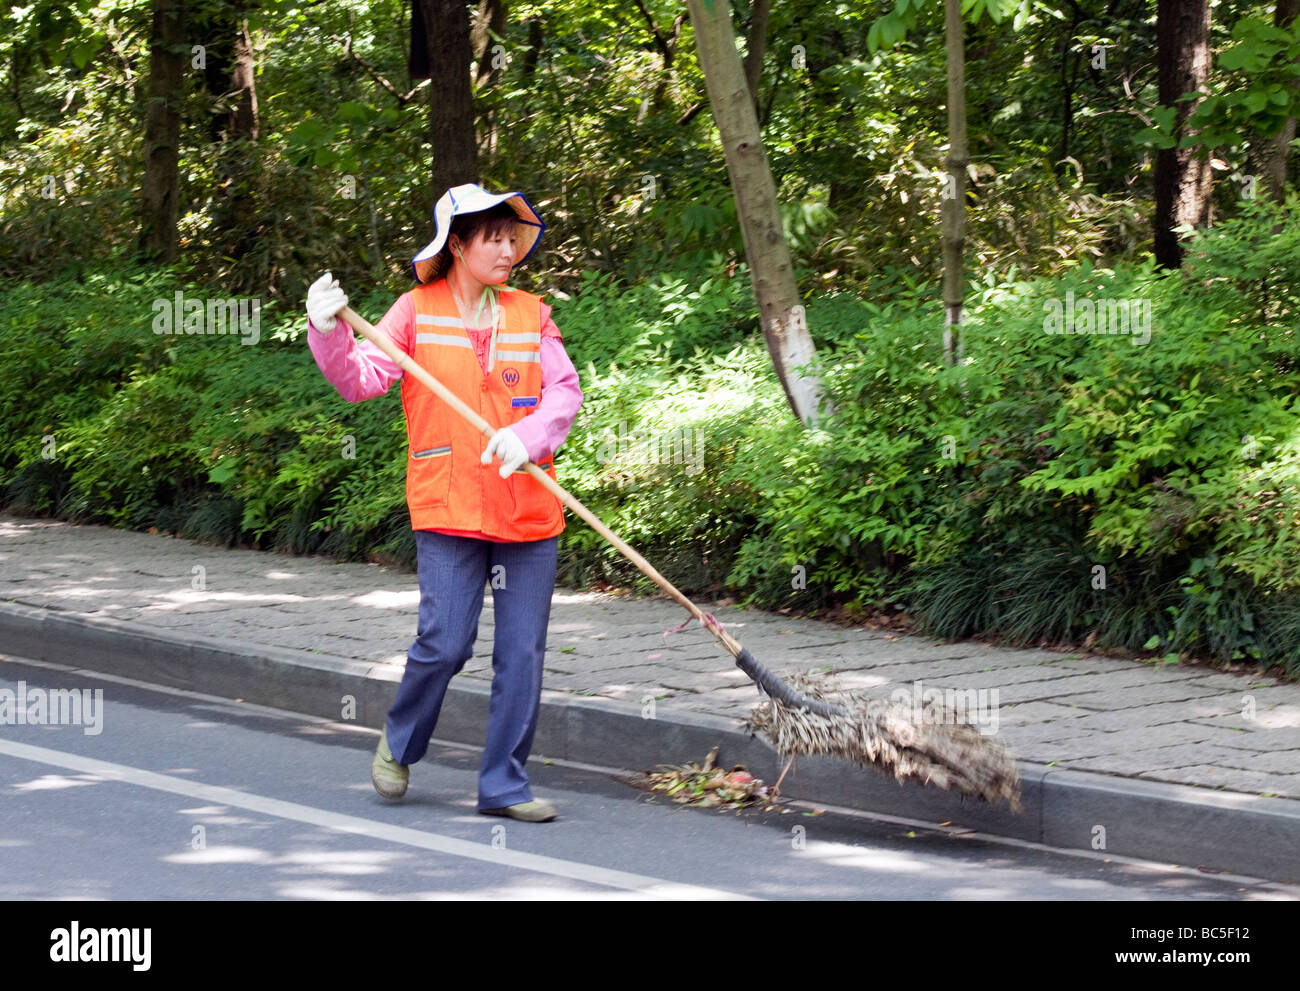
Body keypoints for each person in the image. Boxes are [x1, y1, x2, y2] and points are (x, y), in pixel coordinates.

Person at [303, 183, 583, 822]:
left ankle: (504, 786)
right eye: (493, 236)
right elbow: (360, 379)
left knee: (522, 654)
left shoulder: (530, 314)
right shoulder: (413, 312)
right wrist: (326, 333)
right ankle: (401, 740)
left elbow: (563, 393)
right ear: (457, 244)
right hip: (451, 507)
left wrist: (529, 435)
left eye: (512, 236)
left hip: (526, 510)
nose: (508, 247)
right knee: (445, 642)